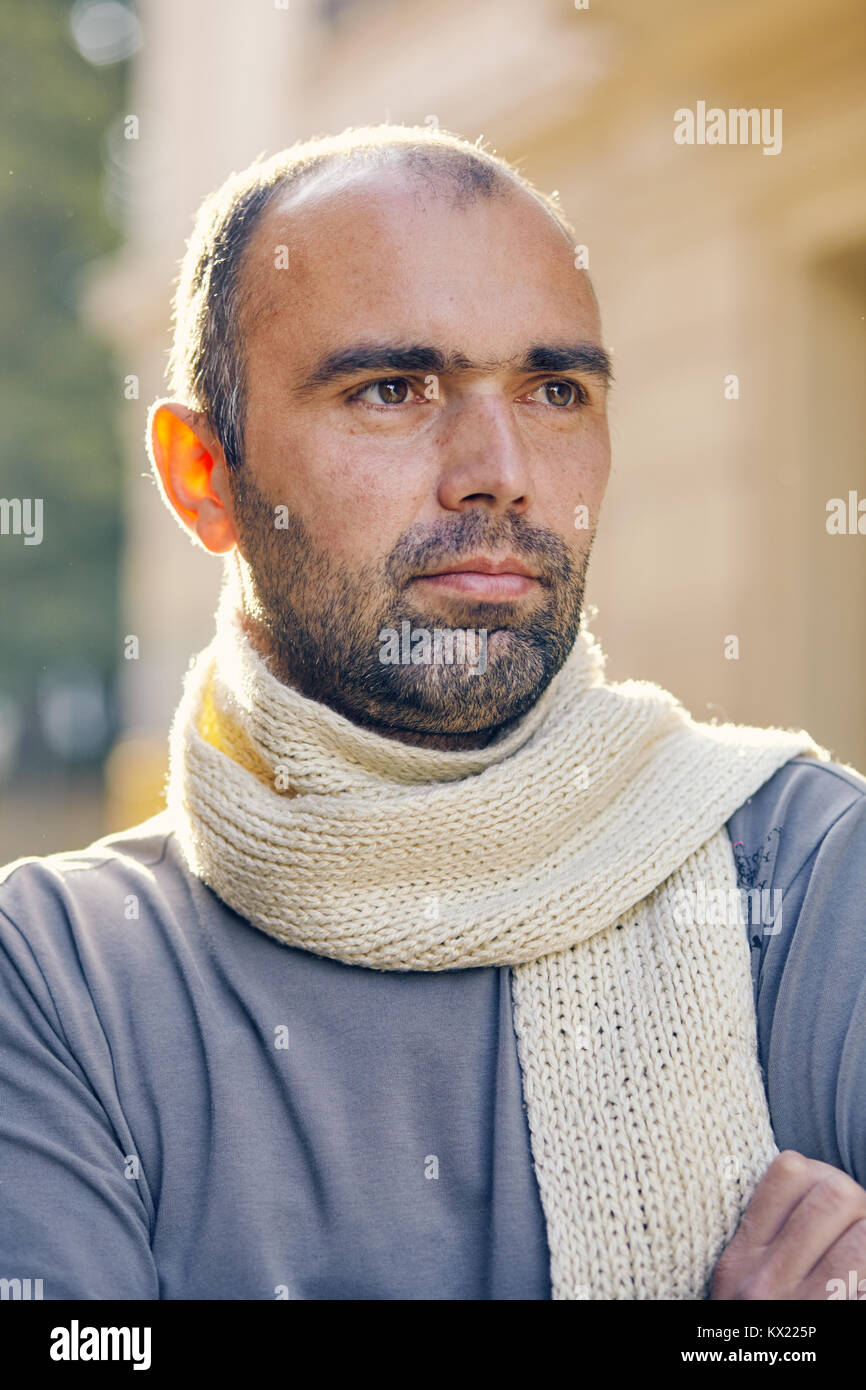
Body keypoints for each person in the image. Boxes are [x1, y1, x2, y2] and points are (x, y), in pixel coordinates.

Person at [2, 124, 866, 1302]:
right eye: (391, 389)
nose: (500, 468)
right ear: (205, 475)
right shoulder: (59, 978)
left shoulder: (811, 874)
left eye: (553, 388)